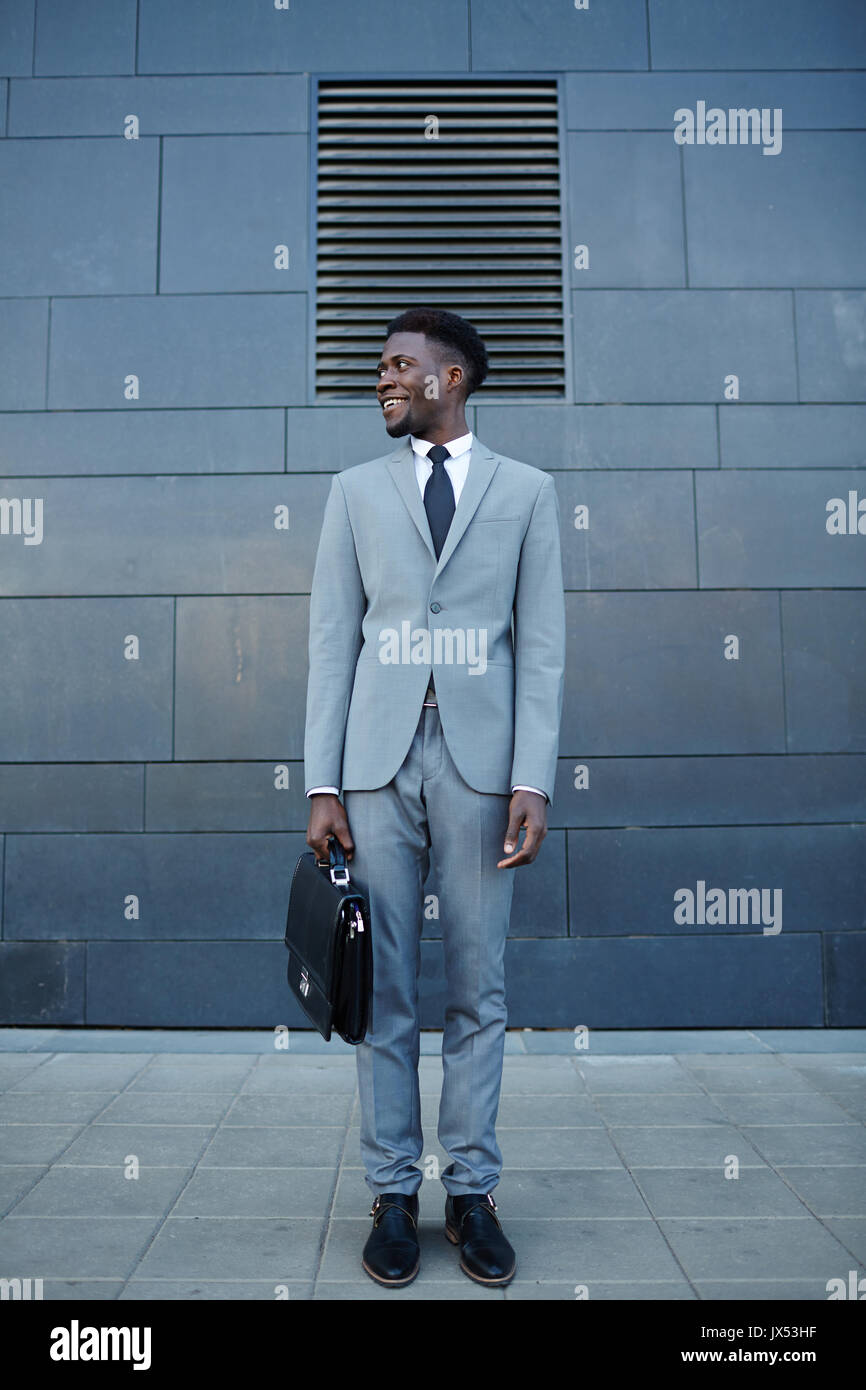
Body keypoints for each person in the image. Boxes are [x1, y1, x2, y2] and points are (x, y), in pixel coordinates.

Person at [304, 306, 565, 1288]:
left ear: (447, 379)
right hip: (372, 767)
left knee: (478, 988)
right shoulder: (353, 492)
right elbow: (333, 641)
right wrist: (321, 779)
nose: (383, 379)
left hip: (481, 768)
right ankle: (387, 1197)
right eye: (381, 366)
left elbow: (538, 648)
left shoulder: (528, 493)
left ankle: (468, 1193)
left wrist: (531, 776)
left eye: (397, 366)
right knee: (381, 991)